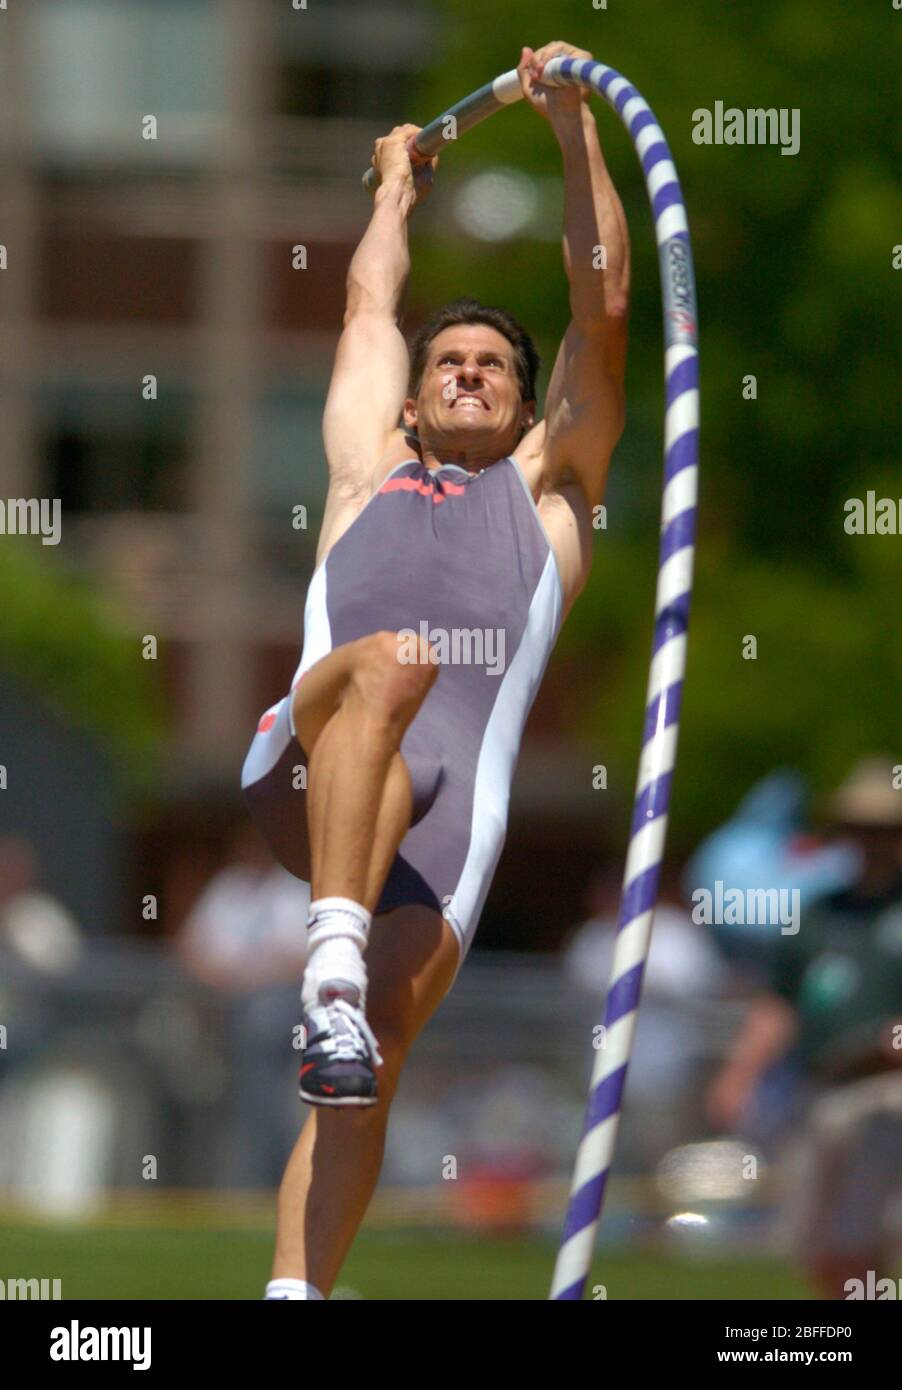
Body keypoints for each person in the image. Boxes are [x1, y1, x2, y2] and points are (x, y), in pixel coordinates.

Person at [241, 41, 630, 1300]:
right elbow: (365, 310)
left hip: (450, 821)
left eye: (494, 369)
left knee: (369, 1067)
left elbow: (602, 309)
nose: (468, 371)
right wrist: (393, 188)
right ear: (410, 405)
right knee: (390, 663)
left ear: (525, 412)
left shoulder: (548, 498)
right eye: (446, 362)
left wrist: (573, 128)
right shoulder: (363, 476)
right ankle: (333, 955)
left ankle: (292, 1293)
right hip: (304, 756)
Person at [705, 758, 902, 1298]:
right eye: (863, 829)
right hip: (820, 1090)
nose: (874, 841)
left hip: (889, 1096)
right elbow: (778, 1004)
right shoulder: (818, 913)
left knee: (863, 1235)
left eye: (885, 829)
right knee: (816, 1239)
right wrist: (739, 1074)